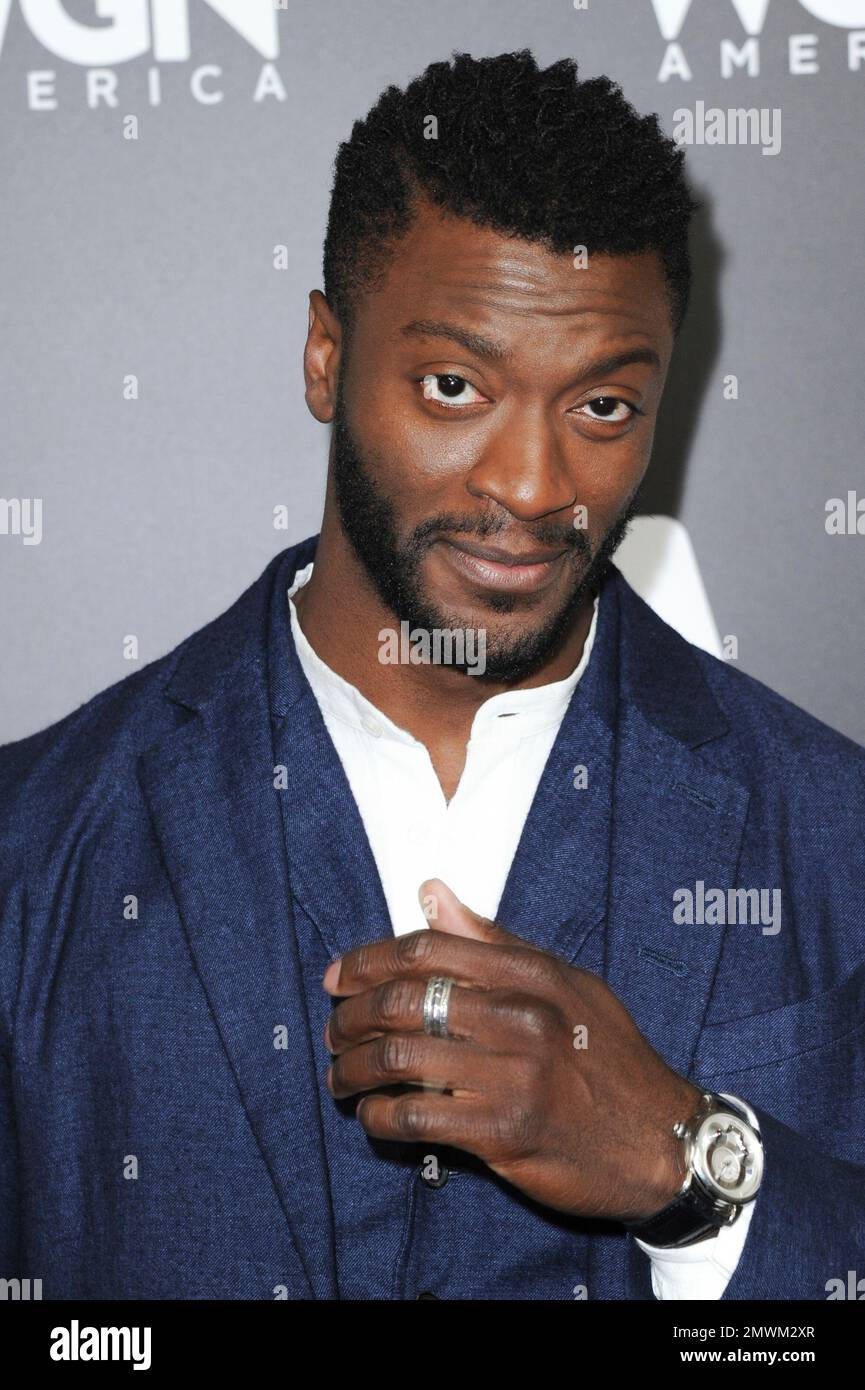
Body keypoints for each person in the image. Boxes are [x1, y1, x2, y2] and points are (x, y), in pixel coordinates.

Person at [1, 50, 863, 1302]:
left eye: (604, 407)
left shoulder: (833, 832)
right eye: (454, 386)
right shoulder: (36, 844)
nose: (529, 484)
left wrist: (690, 1167)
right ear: (324, 356)